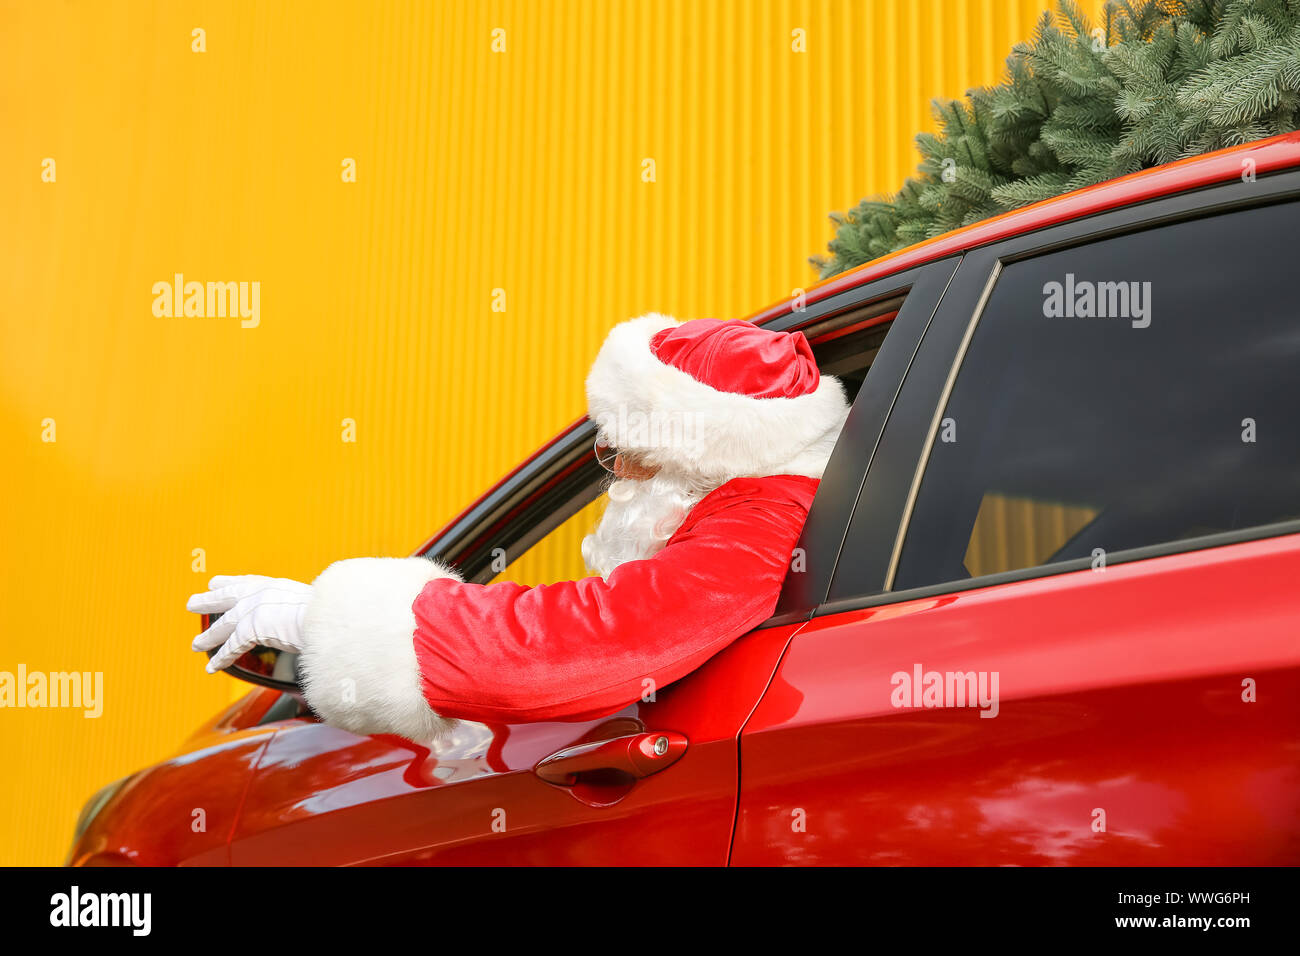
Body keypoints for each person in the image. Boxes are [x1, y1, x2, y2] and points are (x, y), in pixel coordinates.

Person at [187, 313, 850, 740]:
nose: (618, 471)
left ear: (703, 455)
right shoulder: (748, 501)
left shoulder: (759, 516)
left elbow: (607, 635)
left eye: (635, 451)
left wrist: (336, 623)